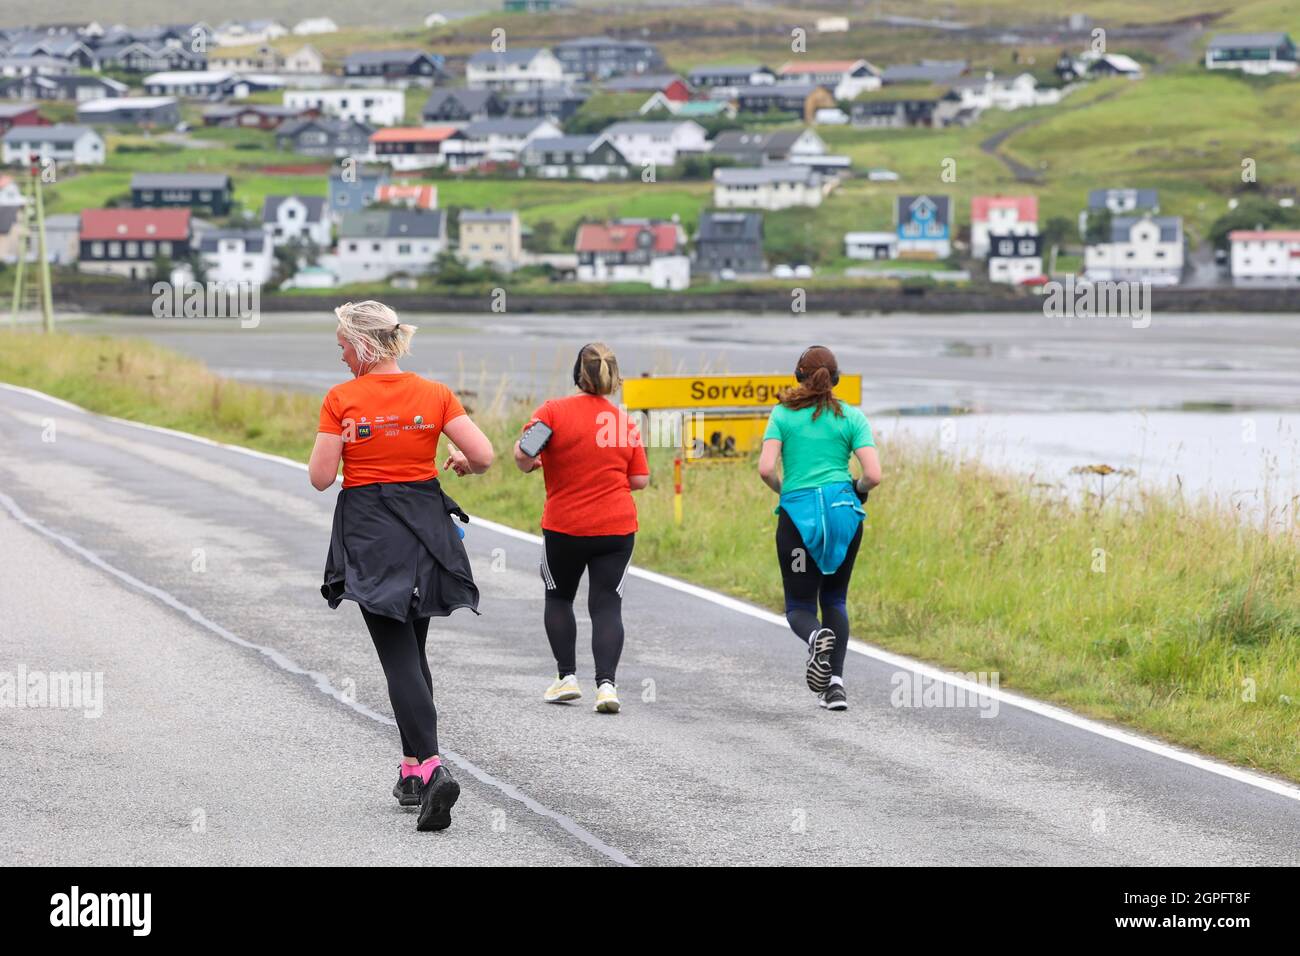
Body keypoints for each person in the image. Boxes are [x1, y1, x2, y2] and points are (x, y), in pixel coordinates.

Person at [308, 300, 494, 831]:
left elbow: (321, 478)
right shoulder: (434, 394)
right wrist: (455, 459)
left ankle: (434, 767)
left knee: (396, 656)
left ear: (363, 345)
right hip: (426, 527)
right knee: (413, 648)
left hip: (372, 532)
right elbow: (481, 456)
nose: (340, 354)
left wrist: (349, 442)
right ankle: (412, 770)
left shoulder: (342, 399)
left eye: (343, 344)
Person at [514, 343, 649, 714]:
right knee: (607, 605)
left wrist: (535, 465)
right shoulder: (623, 421)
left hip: (565, 526)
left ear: (577, 373)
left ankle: (566, 678)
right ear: (612, 378)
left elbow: (524, 456)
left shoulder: (553, 413)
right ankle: (607, 686)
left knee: (559, 598)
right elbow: (639, 479)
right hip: (616, 527)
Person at [758, 346, 881, 711]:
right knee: (835, 599)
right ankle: (836, 687)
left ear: (799, 376)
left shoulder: (782, 415)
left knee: (799, 604)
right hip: (844, 517)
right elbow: (873, 475)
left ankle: (815, 638)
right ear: (836, 378)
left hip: (798, 522)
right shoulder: (852, 418)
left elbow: (765, 468)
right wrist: (856, 492)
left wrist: (787, 492)